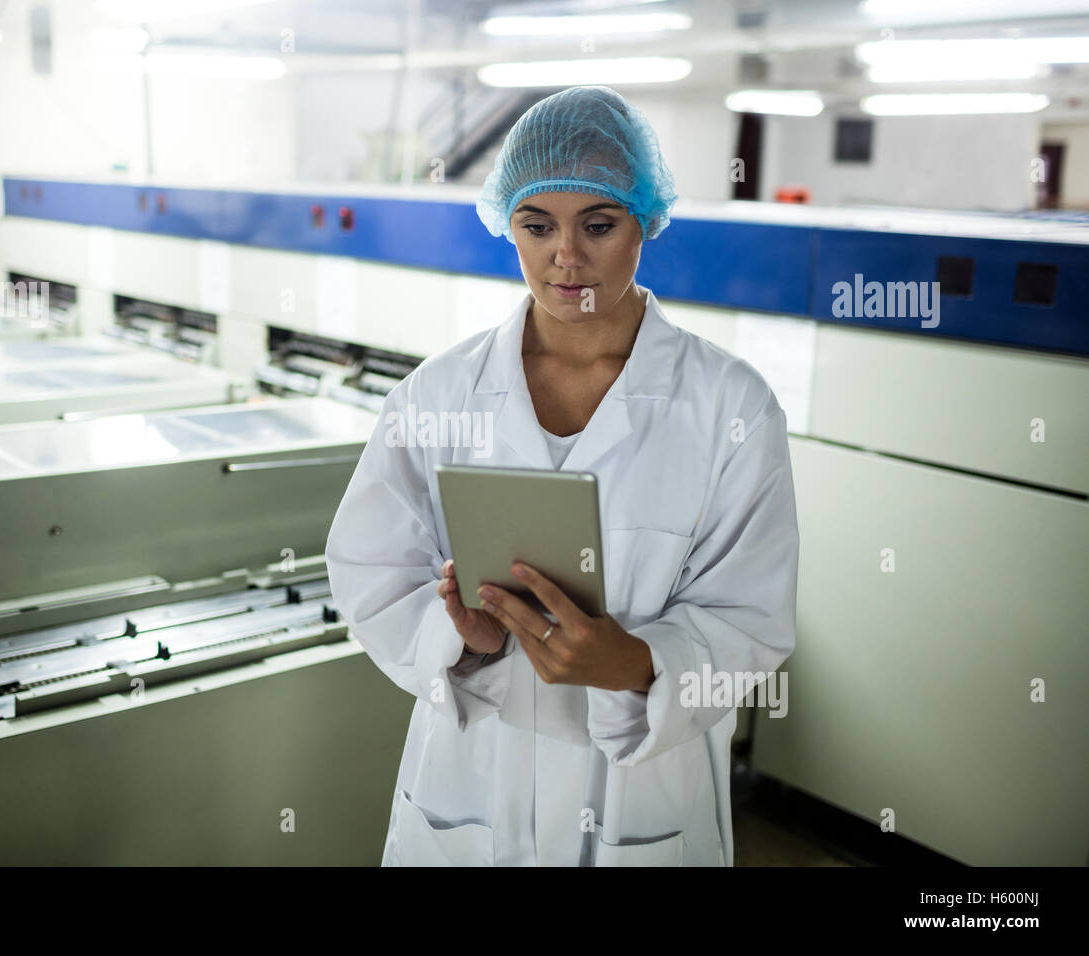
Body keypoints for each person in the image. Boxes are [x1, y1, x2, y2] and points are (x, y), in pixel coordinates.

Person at [324, 85, 799, 866]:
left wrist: (640, 666)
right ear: (506, 223)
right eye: (536, 225)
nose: (566, 257)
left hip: (645, 802)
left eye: (599, 225)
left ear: (645, 220)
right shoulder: (438, 395)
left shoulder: (730, 407)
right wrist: (461, 639)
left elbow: (752, 616)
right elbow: (370, 570)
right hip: (471, 789)